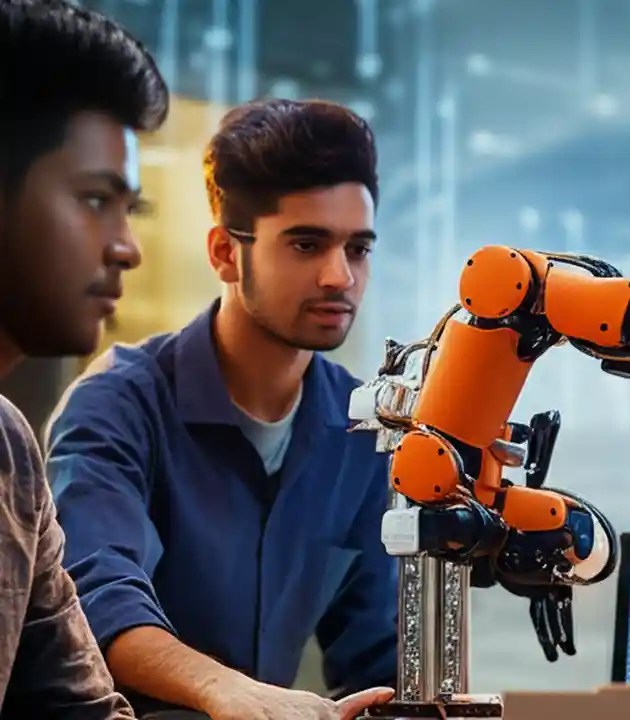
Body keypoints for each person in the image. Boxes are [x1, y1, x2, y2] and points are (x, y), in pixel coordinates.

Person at [44, 98, 397, 720]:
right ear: (225, 253)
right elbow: (97, 595)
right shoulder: (116, 407)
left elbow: (379, 653)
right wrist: (224, 690)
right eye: (307, 244)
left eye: (358, 249)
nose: (339, 277)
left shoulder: (363, 427)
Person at [0, 0, 168, 716]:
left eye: (129, 210)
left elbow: (80, 709)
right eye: (95, 199)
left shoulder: (11, 452)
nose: (125, 246)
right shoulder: (124, 399)